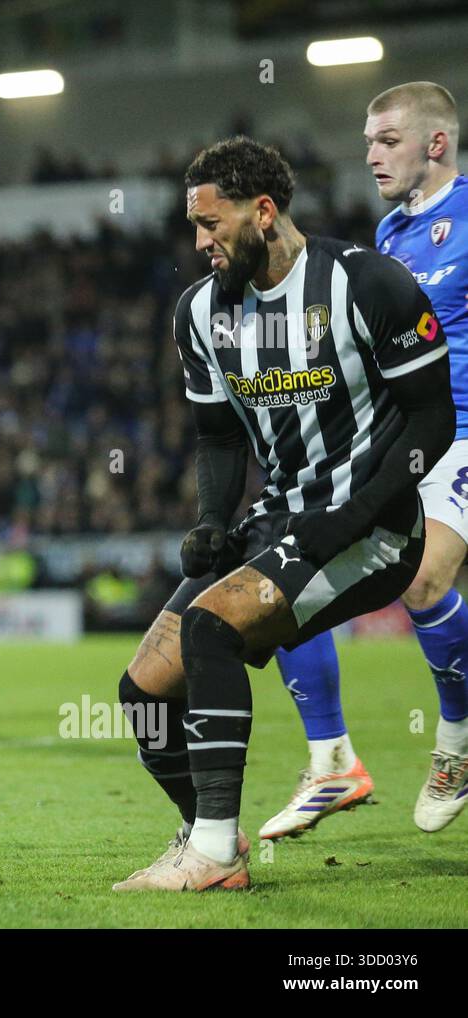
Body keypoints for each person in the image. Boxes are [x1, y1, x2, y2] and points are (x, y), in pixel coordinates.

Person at [114, 136, 452, 891]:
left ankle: (211, 853)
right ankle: (209, 834)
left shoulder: (370, 284)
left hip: (375, 527)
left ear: (263, 213)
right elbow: (217, 434)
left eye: (211, 225)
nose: (200, 243)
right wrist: (210, 519)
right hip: (281, 519)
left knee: (210, 630)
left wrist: (357, 514)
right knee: (140, 696)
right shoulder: (200, 313)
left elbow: (433, 423)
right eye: (194, 228)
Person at [263, 82, 468, 839]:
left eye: (386, 139)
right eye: (368, 138)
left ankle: (455, 741)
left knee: (422, 578)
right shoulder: (390, 232)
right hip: (403, 439)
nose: (371, 152)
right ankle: (332, 763)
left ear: (435, 144)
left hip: (466, 435)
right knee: (292, 570)